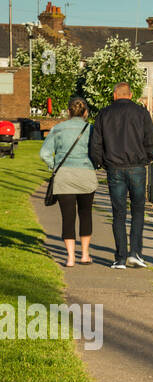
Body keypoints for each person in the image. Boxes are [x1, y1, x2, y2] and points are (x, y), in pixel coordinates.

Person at [89, 82, 153, 269]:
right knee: (137, 211)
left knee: (118, 213)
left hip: (114, 168)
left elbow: (96, 143)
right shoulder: (141, 113)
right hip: (136, 167)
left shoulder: (104, 114)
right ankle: (135, 252)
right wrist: (148, 157)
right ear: (131, 94)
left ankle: (120, 257)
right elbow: (150, 139)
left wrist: (100, 162)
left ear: (114, 95)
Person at [40, 96, 98, 267]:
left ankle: (70, 257)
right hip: (86, 176)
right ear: (86, 112)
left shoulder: (57, 129)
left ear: (68, 112)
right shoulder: (92, 129)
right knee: (85, 214)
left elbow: (44, 153)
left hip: (64, 177)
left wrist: (55, 166)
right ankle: (85, 254)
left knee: (68, 217)